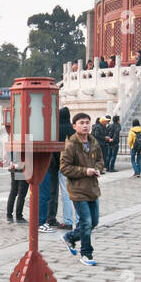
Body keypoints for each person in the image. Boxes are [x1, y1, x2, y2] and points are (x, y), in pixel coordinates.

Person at [60, 112, 104, 266]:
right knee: (86, 222)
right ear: (74, 126)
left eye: (87, 122)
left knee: (94, 221)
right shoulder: (71, 144)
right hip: (77, 189)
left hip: (92, 188)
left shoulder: (94, 142)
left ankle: (70, 237)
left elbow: (100, 160)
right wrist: (85, 171)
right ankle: (86, 253)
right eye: (81, 123)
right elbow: (65, 168)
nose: (85, 125)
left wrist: (97, 168)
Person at [6, 155, 29, 223]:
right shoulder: (25, 144)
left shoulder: (13, 144)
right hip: (22, 168)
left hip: (14, 166)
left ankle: (9, 215)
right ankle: (19, 216)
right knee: (21, 194)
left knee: (13, 192)